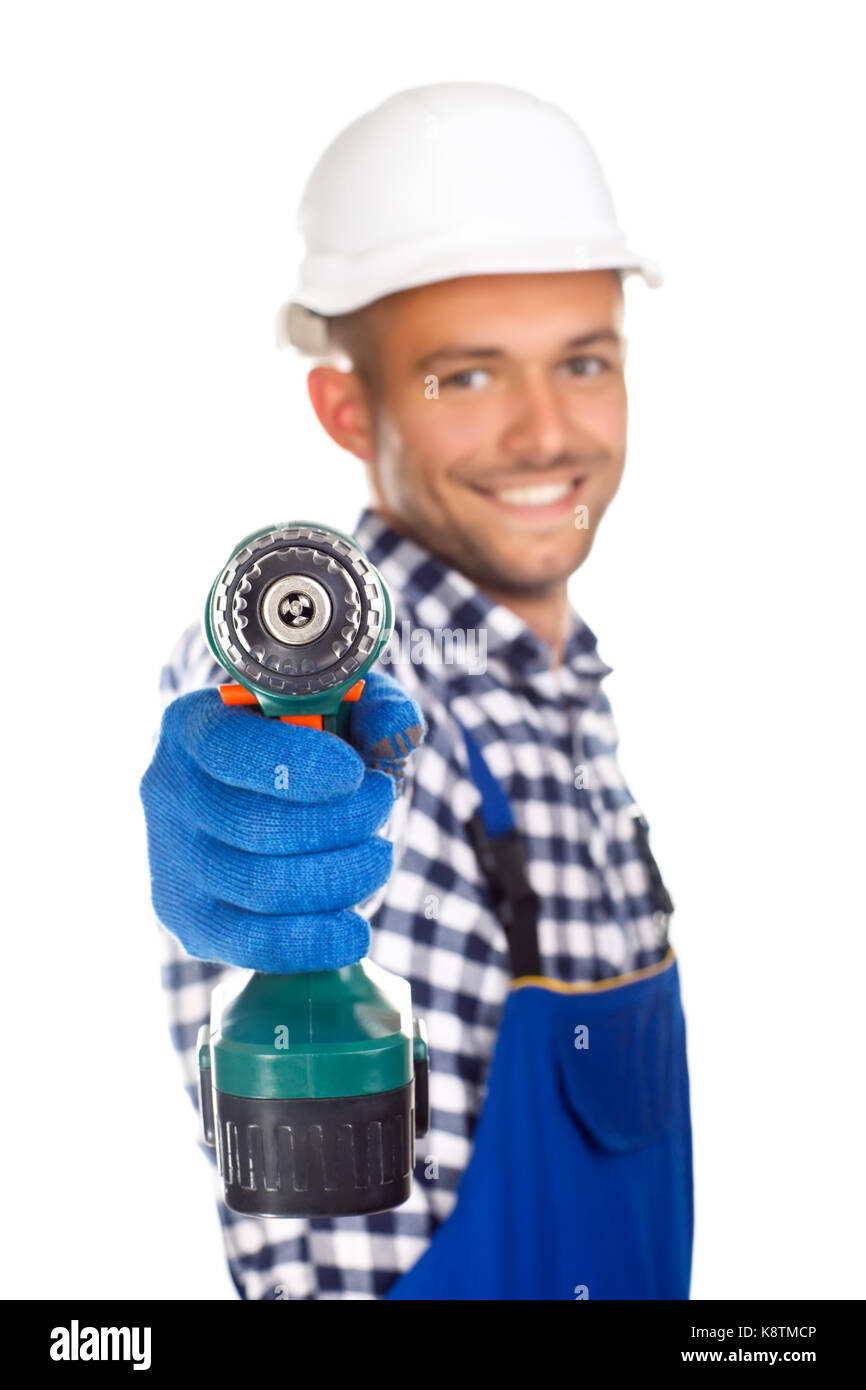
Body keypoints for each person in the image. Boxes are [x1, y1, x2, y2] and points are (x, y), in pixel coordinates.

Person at [140, 80, 693, 1301]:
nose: (546, 432)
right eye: (467, 377)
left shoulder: (558, 687)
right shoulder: (355, 684)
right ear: (348, 406)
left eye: (582, 361)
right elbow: (249, 720)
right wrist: (237, 799)